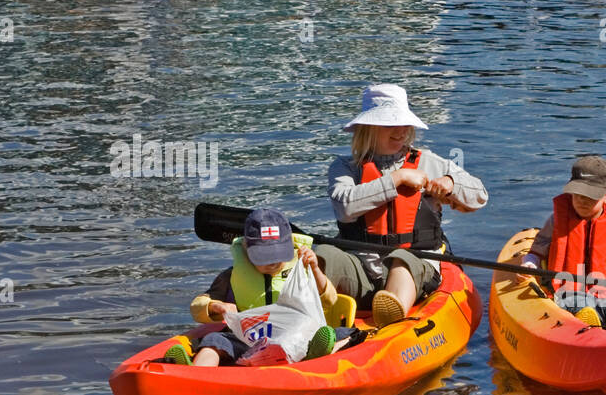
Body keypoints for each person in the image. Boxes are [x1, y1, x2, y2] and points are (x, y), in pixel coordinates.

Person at [317, 83, 488, 327]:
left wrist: (451, 184)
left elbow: (480, 195)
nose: (400, 132)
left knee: (402, 260)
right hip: (361, 269)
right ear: (368, 128)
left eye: (404, 125)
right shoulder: (344, 168)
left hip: (414, 264)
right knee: (321, 255)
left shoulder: (427, 162)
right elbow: (345, 207)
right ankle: (316, 316)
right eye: (390, 126)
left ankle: (390, 318)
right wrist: (397, 179)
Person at [165, 208, 359, 366]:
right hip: (249, 342)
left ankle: (311, 357)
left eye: (278, 254)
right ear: (247, 250)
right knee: (214, 341)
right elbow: (198, 304)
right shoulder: (232, 275)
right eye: (265, 257)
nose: (273, 262)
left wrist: (315, 269)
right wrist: (216, 306)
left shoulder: (302, 269)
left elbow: (330, 300)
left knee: (345, 335)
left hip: (298, 337)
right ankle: (197, 375)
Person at [518, 155, 606, 327]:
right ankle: (587, 320)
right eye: (577, 194)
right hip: (571, 287)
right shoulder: (556, 221)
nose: (581, 200)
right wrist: (530, 263)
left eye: (590, 196)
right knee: (579, 302)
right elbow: (538, 249)